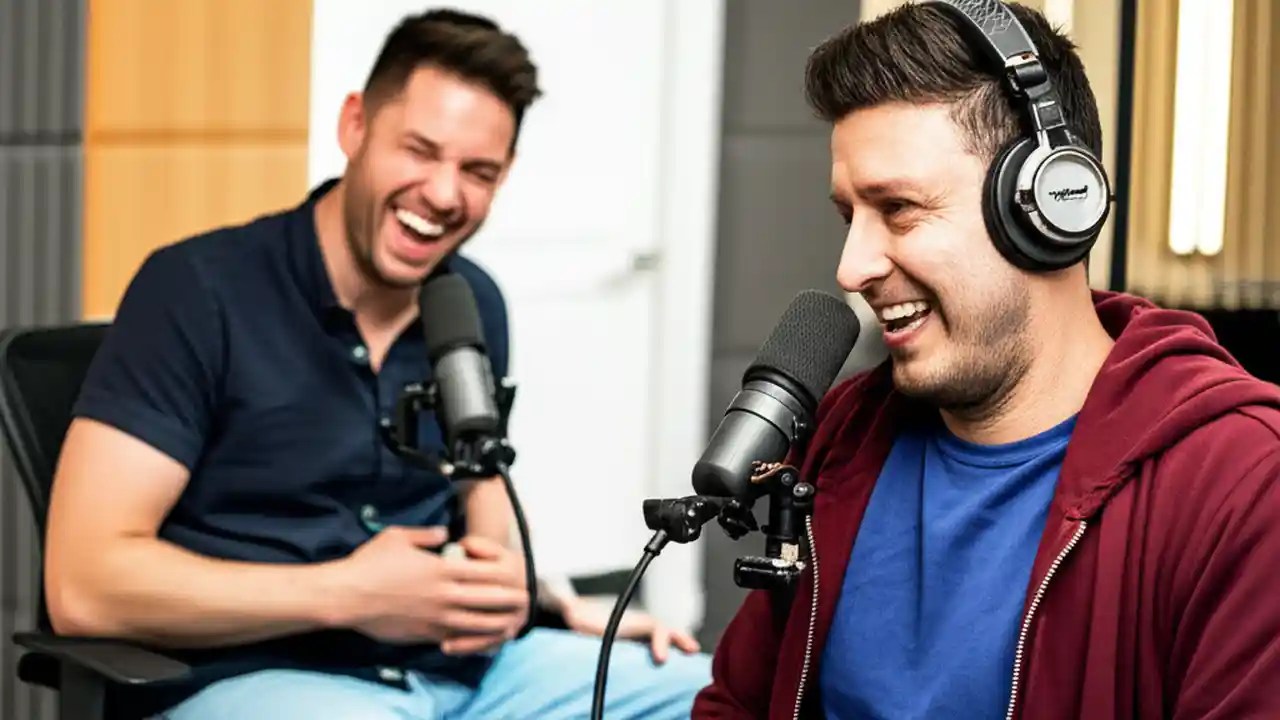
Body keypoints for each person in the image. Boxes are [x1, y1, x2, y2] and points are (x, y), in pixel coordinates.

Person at [45, 9, 709, 719]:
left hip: (461, 674)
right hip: (259, 678)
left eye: (478, 171)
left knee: (711, 691)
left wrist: (544, 602)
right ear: (354, 125)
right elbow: (86, 587)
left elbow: (485, 518)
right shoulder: (197, 291)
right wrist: (352, 593)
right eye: (420, 150)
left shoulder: (471, 302)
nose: (445, 195)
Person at [694, 1, 1280, 718]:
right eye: (851, 217)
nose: (852, 268)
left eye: (900, 209)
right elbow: (737, 703)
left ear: (1050, 204)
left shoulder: (1241, 485)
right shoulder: (843, 434)